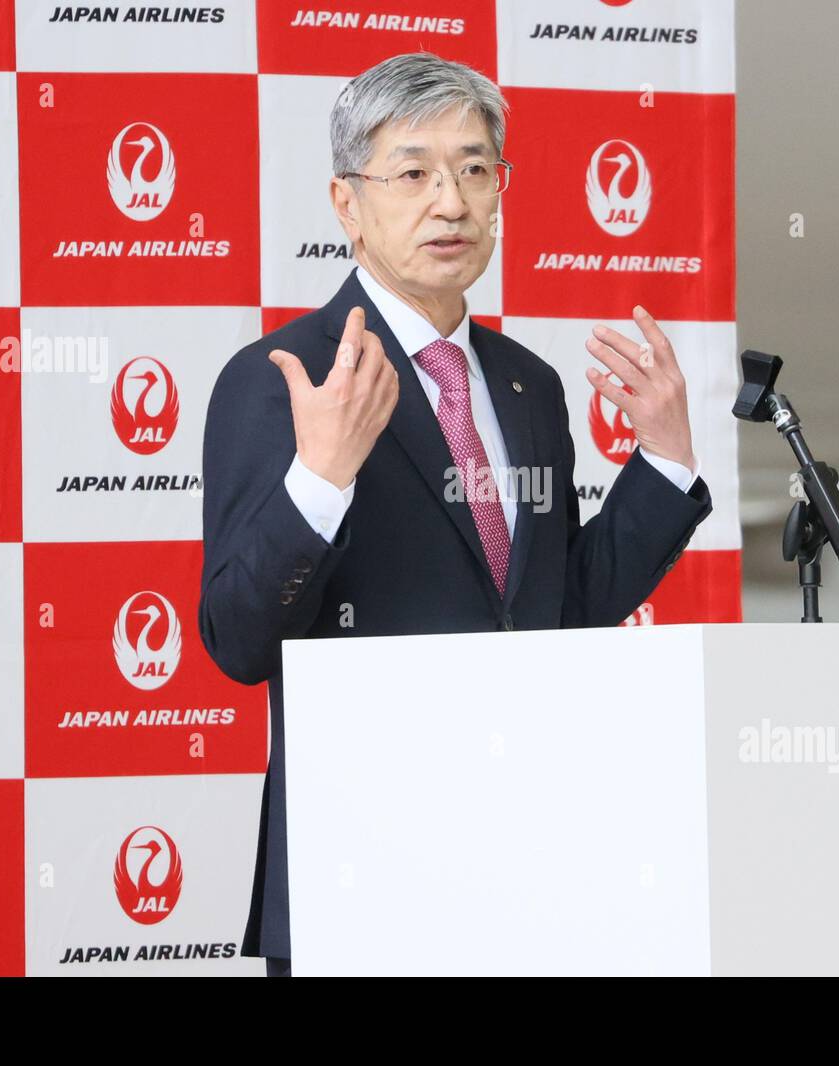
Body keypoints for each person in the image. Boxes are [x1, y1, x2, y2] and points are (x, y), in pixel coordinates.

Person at [198, 52, 713, 977]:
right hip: (364, 873)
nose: (452, 202)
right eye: (414, 172)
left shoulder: (528, 384)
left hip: (527, 867)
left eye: (476, 171)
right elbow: (238, 638)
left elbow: (561, 615)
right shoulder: (285, 381)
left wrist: (664, 461)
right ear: (347, 204)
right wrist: (319, 479)